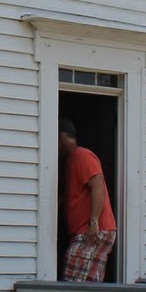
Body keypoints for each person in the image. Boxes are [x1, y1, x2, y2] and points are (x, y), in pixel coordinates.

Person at [59, 119, 117, 281]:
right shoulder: (70, 160)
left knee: (74, 281)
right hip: (88, 230)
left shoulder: (81, 155)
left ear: (61, 137)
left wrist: (93, 222)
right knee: (90, 285)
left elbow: (98, 185)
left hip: (93, 230)